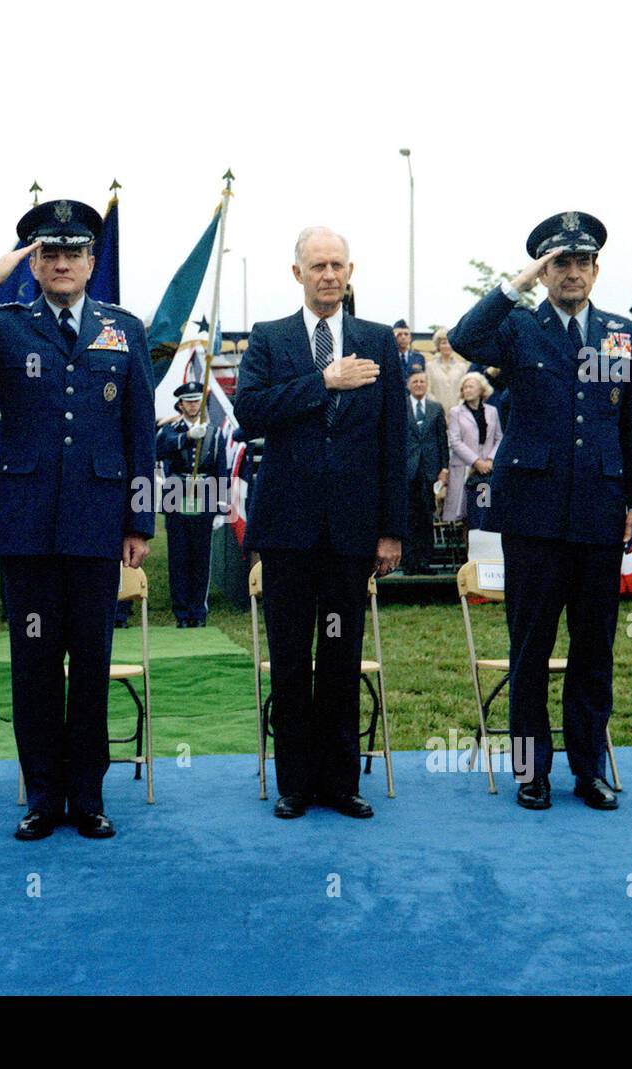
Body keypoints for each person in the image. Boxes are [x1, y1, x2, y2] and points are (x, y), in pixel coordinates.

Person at [0, 198, 155, 842]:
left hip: (96, 524)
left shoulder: (123, 327)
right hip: (24, 525)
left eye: (73, 252)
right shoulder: (4, 323)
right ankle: (42, 797)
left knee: (90, 664)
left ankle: (88, 797)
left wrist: (139, 519)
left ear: (90, 260)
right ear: (33, 260)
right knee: (32, 666)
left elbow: (140, 429)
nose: (61, 263)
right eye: (47, 253)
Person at [448, 211, 632, 812]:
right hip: (533, 515)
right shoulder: (517, 328)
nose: (572, 273)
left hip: (599, 511)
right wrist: (517, 282)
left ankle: (588, 769)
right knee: (529, 647)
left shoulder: (623, 335)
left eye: (582, 262)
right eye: (559, 263)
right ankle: (529, 771)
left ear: (596, 269)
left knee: (594, 647)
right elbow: (464, 337)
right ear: (544, 270)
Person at [233, 225, 405, 820]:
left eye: (338, 265)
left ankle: (340, 781)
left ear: (350, 271)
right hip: (287, 530)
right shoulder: (270, 338)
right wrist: (322, 382)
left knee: (339, 653)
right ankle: (295, 783)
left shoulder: (380, 341)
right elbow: (249, 412)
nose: (329, 275)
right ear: (297, 274)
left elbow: (394, 441)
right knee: (289, 655)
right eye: (318, 265)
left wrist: (391, 529)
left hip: (352, 533)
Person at [156, 380, 227, 627]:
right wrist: (186, 437)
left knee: (200, 556)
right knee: (179, 556)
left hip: (205, 495)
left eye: (197, 401)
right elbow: (160, 449)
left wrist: (220, 506)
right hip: (177, 494)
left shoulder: (215, 433)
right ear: (181, 404)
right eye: (189, 401)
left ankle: (199, 611)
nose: (194, 405)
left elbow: (220, 471)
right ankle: (182, 613)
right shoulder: (171, 430)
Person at [402, 365, 448, 573]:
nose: (419, 385)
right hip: (407, 470)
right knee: (409, 517)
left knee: (426, 517)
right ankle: (410, 562)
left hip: (429, 471)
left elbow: (442, 440)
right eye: (415, 382)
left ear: (427, 385)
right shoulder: (400, 407)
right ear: (408, 385)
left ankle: (425, 562)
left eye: (422, 381)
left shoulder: (436, 408)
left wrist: (444, 468)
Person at [443, 370, 502, 528]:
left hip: (486, 471)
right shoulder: (456, 412)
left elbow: (498, 438)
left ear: (481, 389)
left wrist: (489, 459)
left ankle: (482, 550)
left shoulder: (492, 411)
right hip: (465, 468)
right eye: (464, 387)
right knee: (465, 515)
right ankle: (467, 550)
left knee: (482, 508)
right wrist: (476, 461)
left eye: (471, 386)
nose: (467, 390)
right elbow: (455, 441)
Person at [424, 327, 468, 413]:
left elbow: (465, 391)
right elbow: (428, 392)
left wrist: (459, 407)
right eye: (443, 343)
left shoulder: (462, 367)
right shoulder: (429, 367)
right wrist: (437, 407)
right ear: (438, 346)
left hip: (458, 412)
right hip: (437, 413)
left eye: (449, 343)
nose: (447, 346)